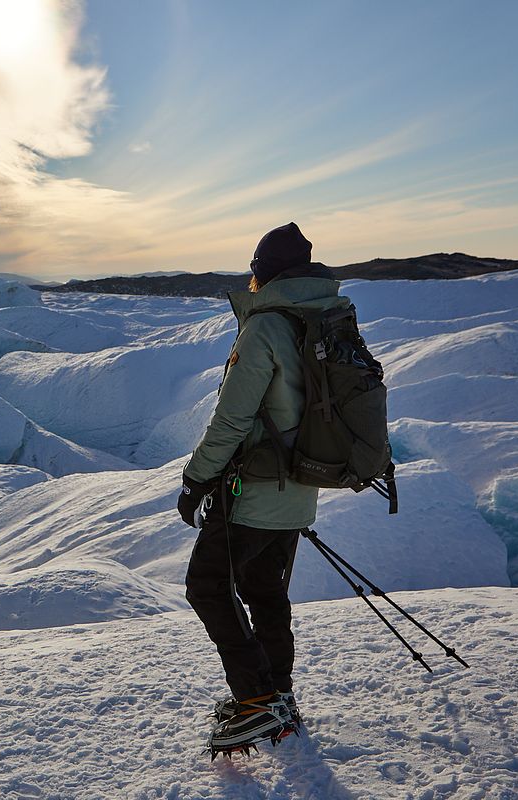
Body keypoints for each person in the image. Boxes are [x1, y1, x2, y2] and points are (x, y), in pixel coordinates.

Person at [177, 222, 350, 755]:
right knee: (263, 590)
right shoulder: (323, 320)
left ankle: (258, 700)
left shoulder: (265, 329)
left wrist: (196, 479)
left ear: (262, 274)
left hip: (254, 490)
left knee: (207, 587)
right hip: (301, 488)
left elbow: (231, 419)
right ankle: (279, 694)